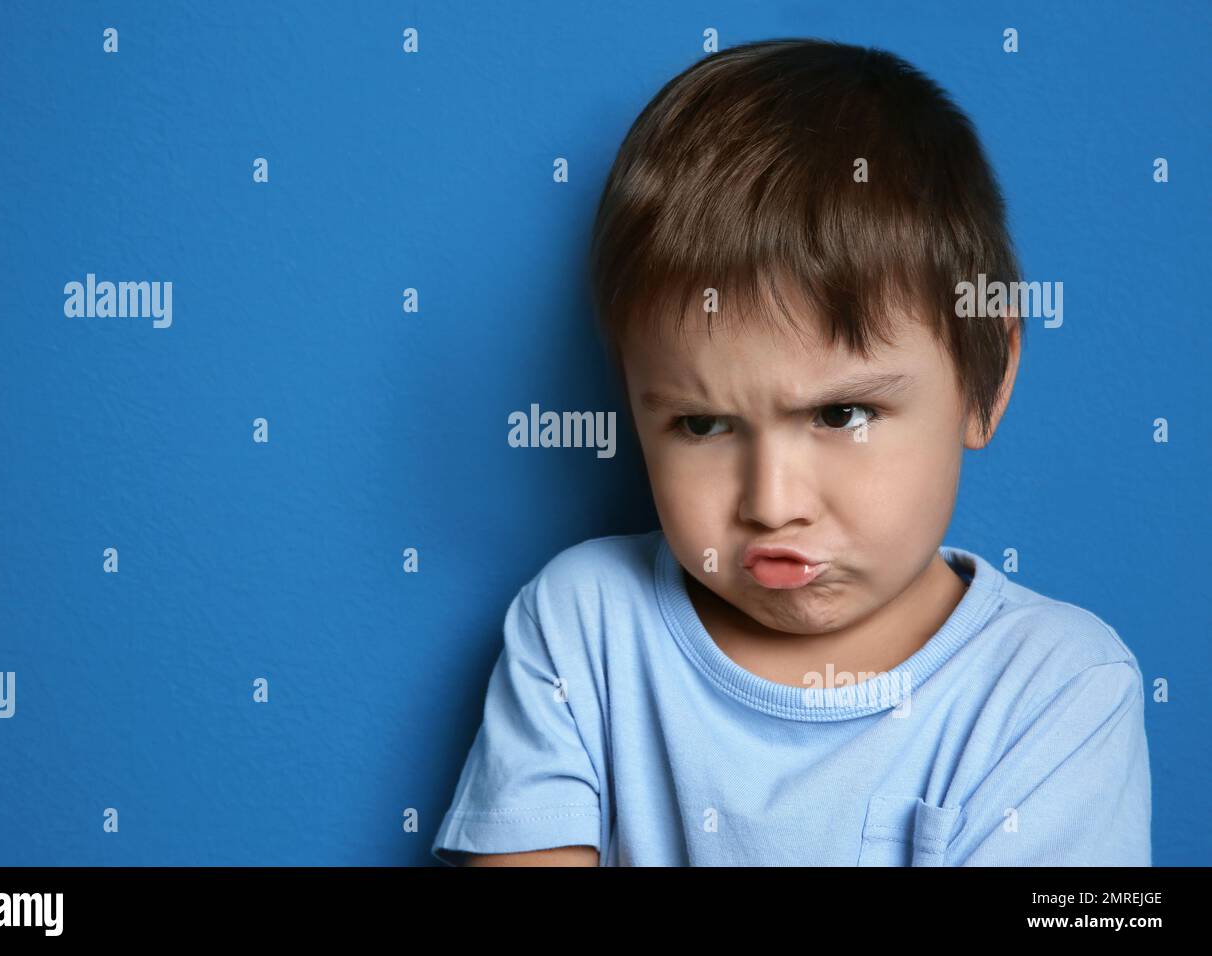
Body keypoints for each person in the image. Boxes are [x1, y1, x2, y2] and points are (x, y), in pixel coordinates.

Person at [431, 38, 1151, 866]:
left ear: (984, 382)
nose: (772, 503)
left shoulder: (1062, 687)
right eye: (702, 425)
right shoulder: (582, 627)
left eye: (842, 413)